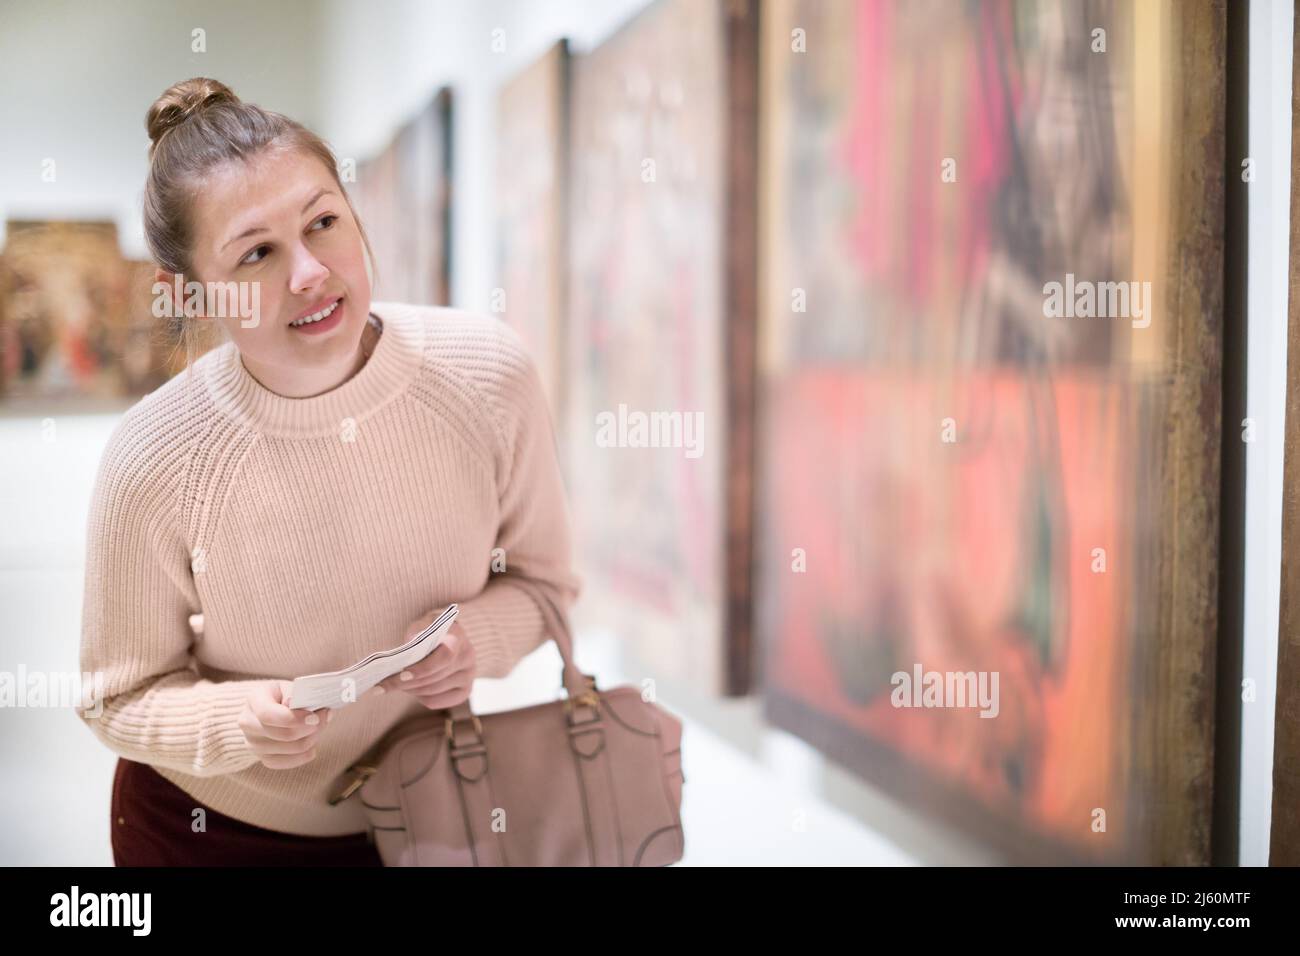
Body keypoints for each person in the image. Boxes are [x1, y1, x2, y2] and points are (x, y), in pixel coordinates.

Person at [76, 77, 582, 866]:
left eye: (323, 221)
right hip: (203, 833)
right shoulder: (154, 456)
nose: (310, 271)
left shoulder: (487, 377)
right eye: (257, 253)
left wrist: (473, 643)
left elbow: (545, 587)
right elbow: (116, 696)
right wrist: (236, 721)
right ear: (189, 295)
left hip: (425, 817)